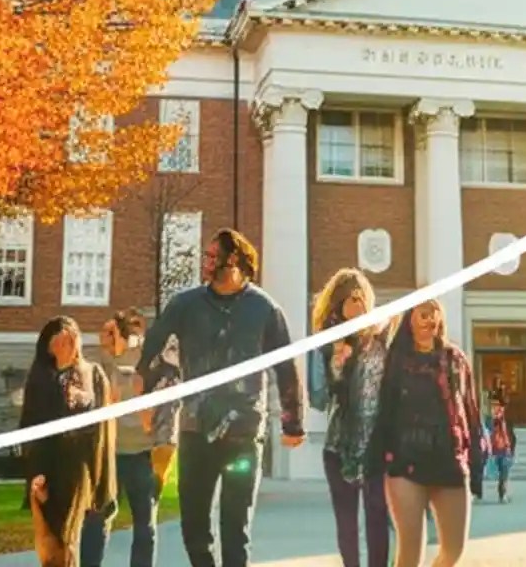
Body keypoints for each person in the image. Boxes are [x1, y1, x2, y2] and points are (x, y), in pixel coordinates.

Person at [137, 227, 306, 567]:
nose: (206, 262)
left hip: (243, 434)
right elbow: (154, 344)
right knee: (194, 528)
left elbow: (285, 368)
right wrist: (146, 392)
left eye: (213, 256)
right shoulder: (186, 304)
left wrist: (293, 422)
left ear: (234, 260)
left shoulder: (264, 310)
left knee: (235, 530)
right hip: (196, 431)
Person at [370, 298, 485, 567]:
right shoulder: (395, 362)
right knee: (409, 552)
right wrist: (377, 460)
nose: (429, 321)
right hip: (405, 462)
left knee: (453, 551)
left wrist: (476, 463)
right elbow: (383, 412)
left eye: (434, 315)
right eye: (422, 315)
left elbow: (470, 412)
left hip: (450, 461)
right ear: (410, 320)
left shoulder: (454, 359)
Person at [80, 310, 181, 567]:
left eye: (110, 332)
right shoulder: (100, 362)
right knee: (96, 518)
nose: (103, 337)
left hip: (142, 454)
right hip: (109, 454)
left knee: (145, 525)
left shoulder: (147, 361)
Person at [309, 267, 392, 567]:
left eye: (360, 299)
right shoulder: (328, 344)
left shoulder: (382, 337)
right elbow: (318, 398)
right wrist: (334, 361)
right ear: (338, 306)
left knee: (377, 516)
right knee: (346, 523)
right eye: (349, 300)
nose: (357, 306)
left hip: (377, 445)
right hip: (339, 445)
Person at [19, 316, 117, 567]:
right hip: (53, 474)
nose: (68, 344)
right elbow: (35, 425)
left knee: (90, 554)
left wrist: (103, 484)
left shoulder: (93, 374)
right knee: (58, 552)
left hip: (88, 473)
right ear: (48, 347)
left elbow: (101, 429)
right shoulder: (40, 379)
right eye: (60, 341)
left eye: (72, 338)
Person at [486, 398, 517, 504]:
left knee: (504, 473)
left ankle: (502, 493)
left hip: (505, 449)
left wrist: (511, 449)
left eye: (499, 407)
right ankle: (502, 493)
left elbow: (511, 435)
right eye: (494, 407)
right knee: (500, 473)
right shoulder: (490, 420)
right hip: (495, 449)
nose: (497, 409)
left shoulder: (506, 420)